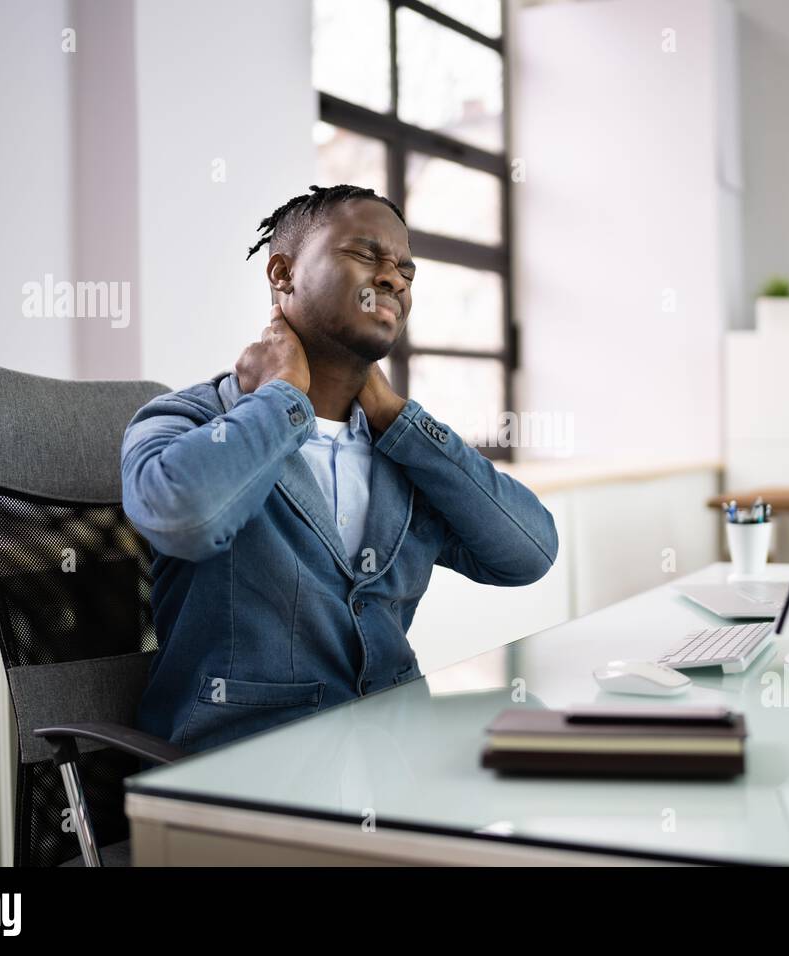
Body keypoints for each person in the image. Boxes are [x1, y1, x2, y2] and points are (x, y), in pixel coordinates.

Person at [121, 184, 558, 753]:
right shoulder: (191, 418)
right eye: (365, 255)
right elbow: (186, 517)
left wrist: (398, 418)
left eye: (406, 270)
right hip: (244, 784)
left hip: (396, 772)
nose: (394, 279)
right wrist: (281, 397)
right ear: (282, 273)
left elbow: (529, 554)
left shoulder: (403, 453)